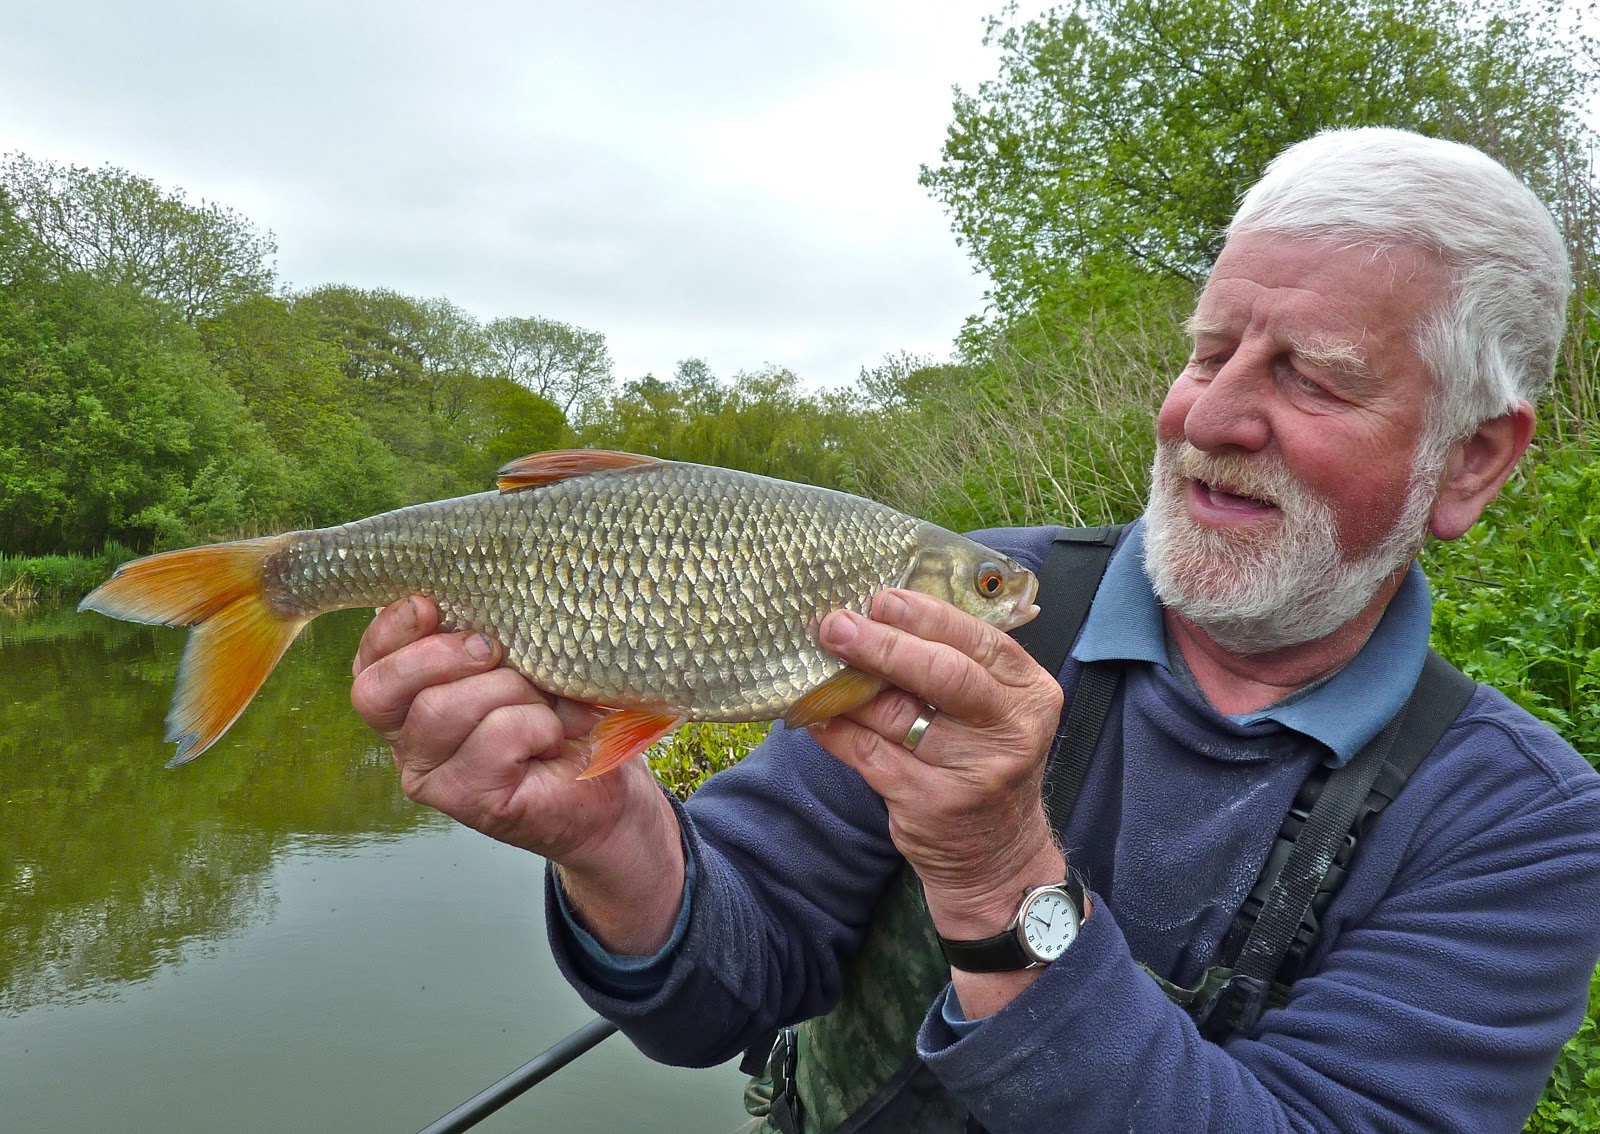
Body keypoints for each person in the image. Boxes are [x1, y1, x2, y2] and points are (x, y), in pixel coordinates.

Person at [349, 127, 1600, 1133]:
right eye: (1209, 350)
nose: (1208, 415)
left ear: (1471, 463)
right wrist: (607, 831)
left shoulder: (1520, 827)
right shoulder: (981, 604)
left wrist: (1001, 879)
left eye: (1310, 376)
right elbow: (717, 991)